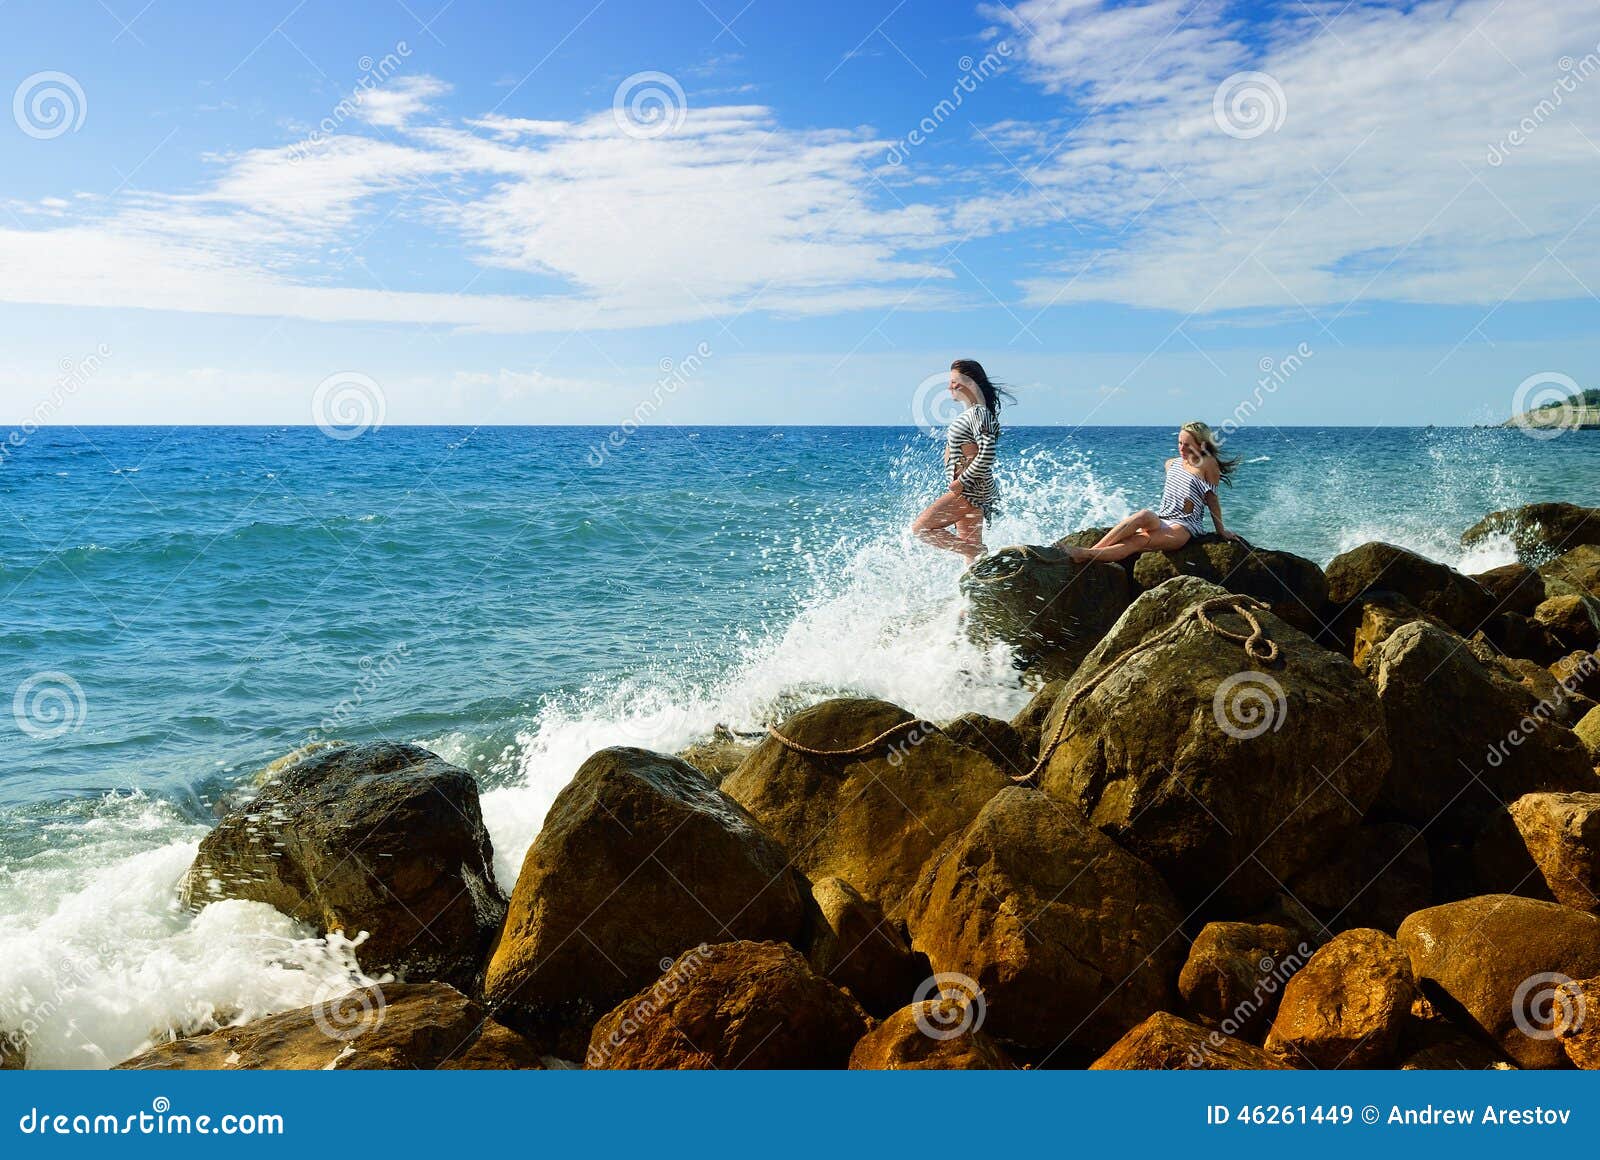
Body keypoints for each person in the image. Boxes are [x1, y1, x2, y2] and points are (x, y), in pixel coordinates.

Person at [1062, 422, 1242, 562]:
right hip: (1163, 519)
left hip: (1184, 527)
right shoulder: (1171, 464)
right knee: (1143, 514)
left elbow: (1212, 501)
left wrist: (1221, 531)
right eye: (1179, 443)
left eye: (1187, 445)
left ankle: (1085, 555)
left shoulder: (1208, 464)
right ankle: (1092, 552)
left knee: (1137, 541)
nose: (1181, 448)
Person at [911, 360, 1008, 564]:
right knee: (971, 560)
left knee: (921, 529)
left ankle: (978, 550)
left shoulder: (980, 413)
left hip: (969, 490)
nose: (949, 386)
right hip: (973, 490)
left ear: (968, 382)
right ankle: (973, 593)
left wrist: (962, 481)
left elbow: (988, 454)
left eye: (954, 381)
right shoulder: (973, 413)